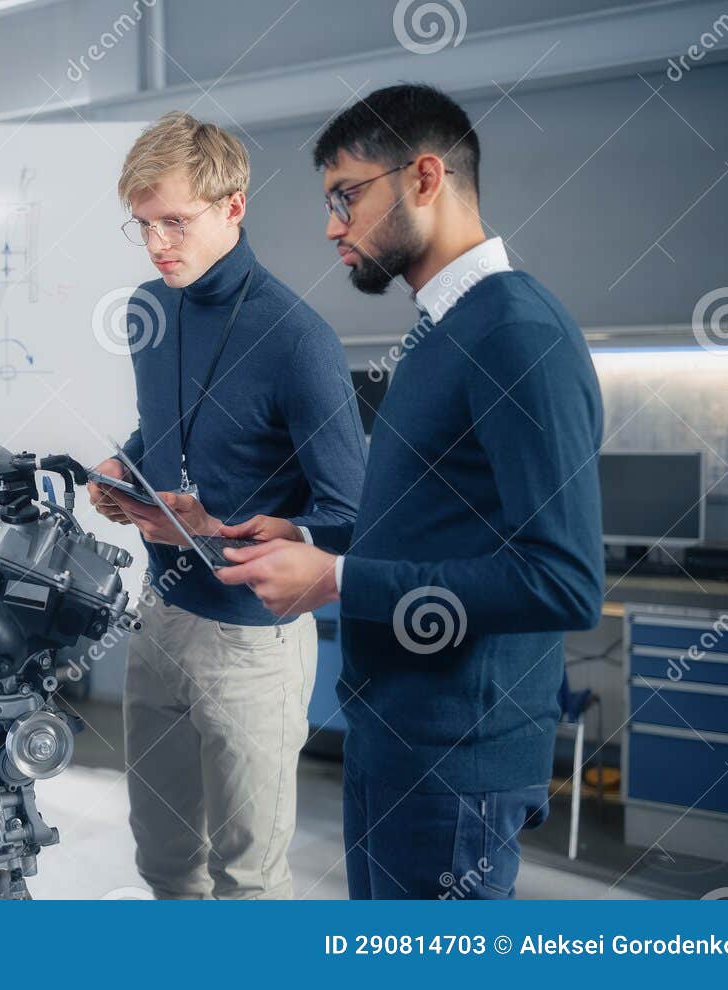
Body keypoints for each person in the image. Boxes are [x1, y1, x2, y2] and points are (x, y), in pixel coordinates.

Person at [215, 84, 603, 899]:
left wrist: (334, 580)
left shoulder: (515, 333)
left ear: (425, 177)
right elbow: (431, 525)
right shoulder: (441, 331)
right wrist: (310, 540)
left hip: (457, 760)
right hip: (397, 740)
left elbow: (563, 580)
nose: (331, 225)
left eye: (346, 196)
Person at [85, 111, 366, 899]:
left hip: (253, 644)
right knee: (165, 866)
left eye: (175, 222)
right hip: (160, 619)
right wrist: (125, 468)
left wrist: (220, 528)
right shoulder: (151, 308)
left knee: (246, 884)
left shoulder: (297, 339)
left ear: (234, 206)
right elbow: (169, 428)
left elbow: (353, 511)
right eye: (143, 225)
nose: (157, 244)